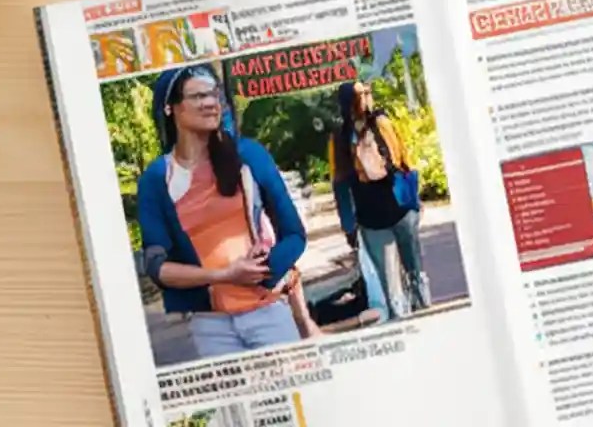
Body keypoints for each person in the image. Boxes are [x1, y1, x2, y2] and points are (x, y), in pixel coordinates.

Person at [137, 65, 309, 359]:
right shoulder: (156, 179)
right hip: (210, 326)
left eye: (214, 94)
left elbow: (295, 234)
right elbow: (157, 267)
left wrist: (264, 270)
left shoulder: (248, 155)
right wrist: (225, 274)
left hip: (267, 313)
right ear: (170, 108)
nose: (210, 102)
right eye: (197, 96)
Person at [329, 81, 431, 319]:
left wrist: (349, 226)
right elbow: (341, 185)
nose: (367, 97)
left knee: (411, 274)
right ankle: (408, 323)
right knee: (395, 284)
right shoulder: (342, 138)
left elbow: (403, 160)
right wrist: (349, 225)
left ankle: (422, 314)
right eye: (362, 94)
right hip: (377, 217)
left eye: (367, 93)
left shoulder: (378, 124)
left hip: (395, 212)